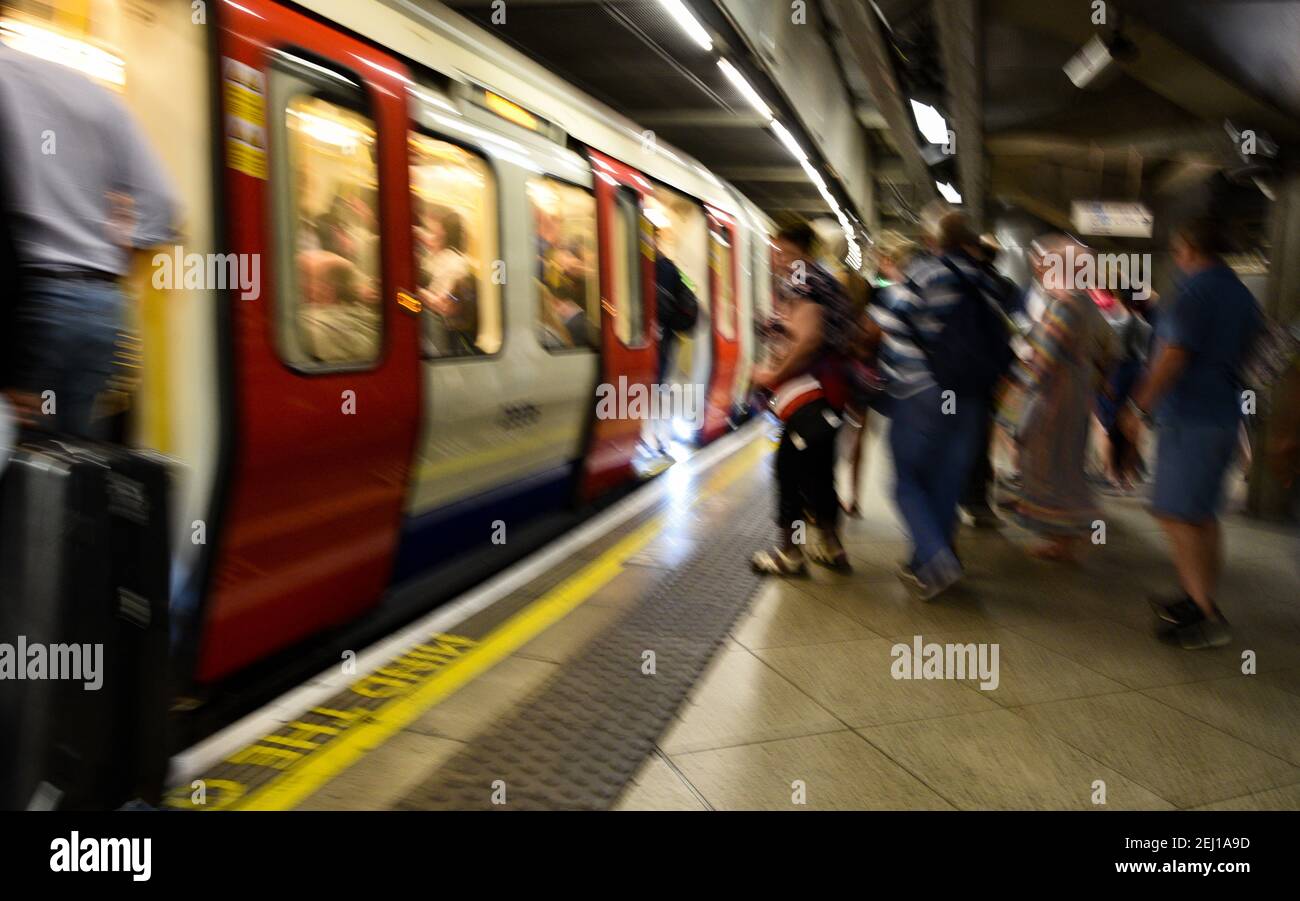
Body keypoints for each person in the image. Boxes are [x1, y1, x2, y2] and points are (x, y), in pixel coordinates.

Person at [0, 37, 179, 439]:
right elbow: (163, 204)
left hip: (29, 302)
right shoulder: (90, 90)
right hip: (102, 307)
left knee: (20, 462)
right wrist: (112, 260)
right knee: (71, 464)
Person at [1119, 217, 1263, 649]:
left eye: (1178, 247)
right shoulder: (1238, 293)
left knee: (1173, 512)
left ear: (1189, 247)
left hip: (1191, 416)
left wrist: (1137, 407)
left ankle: (1205, 614)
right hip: (1220, 412)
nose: (1176, 256)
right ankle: (1196, 597)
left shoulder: (1197, 292)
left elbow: (1174, 355)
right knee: (1199, 515)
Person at [996, 237, 1117, 561]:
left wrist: (1018, 392)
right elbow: (1108, 348)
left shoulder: (1066, 304)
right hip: (1076, 392)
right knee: (1066, 464)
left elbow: (1044, 356)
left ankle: (1071, 533)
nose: (1042, 271)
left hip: (1054, 395)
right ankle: (1063, 539)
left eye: (1049, 265)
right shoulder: (1088, 303)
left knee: (1049, 463)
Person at [750, 221, 855, 576]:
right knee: (819, 472)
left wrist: (772, 375)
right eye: (775, 252)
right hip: (831, 393)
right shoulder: (825, 279)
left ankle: (789, 555)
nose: (777, 259)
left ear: (801, 252)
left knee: (790, 472)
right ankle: (832, 547)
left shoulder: (802, 278)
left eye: (784, 252)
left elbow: (808, 339)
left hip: (810, 393)